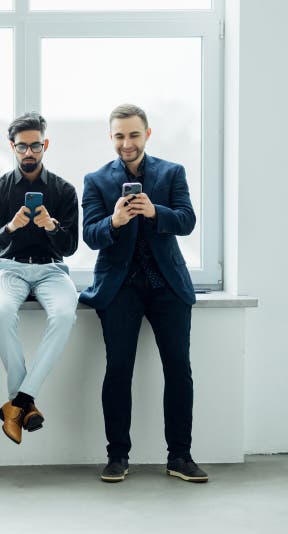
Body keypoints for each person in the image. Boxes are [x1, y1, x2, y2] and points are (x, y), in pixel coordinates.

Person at [81, 103, 208, 483]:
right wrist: (114, 221)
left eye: (134, 135)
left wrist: (154, 212)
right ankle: (117, 456)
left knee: (179, 369)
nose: (127, 143)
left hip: (167, 286)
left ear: (147, 134)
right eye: (119, 136)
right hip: (120, 288)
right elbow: (90, 235)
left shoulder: (172, 172)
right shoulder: (95, 180)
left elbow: (187, 220)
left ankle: (180, 456)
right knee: (118, 370)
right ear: (111, 137)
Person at [0, 112, 79, 445]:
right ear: (12, 147)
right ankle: (26, 404)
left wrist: (51, 226)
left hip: (52, 269)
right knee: (2, 312)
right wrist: (11, 227)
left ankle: (18, 402)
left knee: (64, 314)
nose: (28, 153)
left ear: (45, 145)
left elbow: (71, 246)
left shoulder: (64, 190)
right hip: (10, 267)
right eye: (22, 146)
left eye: (35, 145)